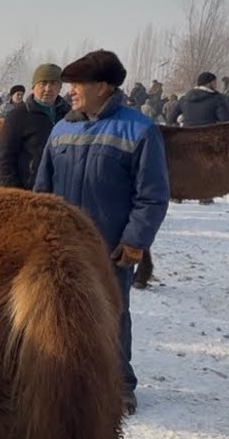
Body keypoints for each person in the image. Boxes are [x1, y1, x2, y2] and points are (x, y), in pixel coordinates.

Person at [33, 49, 170, 414]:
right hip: (61, 247)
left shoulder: (139, 129)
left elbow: (152, 196)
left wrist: (135, 242)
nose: (71, 91)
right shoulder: (62, 129)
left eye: (78, 84)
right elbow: (42, 189)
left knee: (112, 314)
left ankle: (120, 384)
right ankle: (66, 378)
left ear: (104, 87)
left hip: (111, 248)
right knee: (60, 313)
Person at [0, 63, 65, 189]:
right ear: (34, 86)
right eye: (43, 83)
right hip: (30, 192)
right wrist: (15, 195)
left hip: (63, 191)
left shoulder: (69, 115)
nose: (48, 88)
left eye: (53, 83)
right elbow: (4, 158)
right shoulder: (18, 116)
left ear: (60, 87)